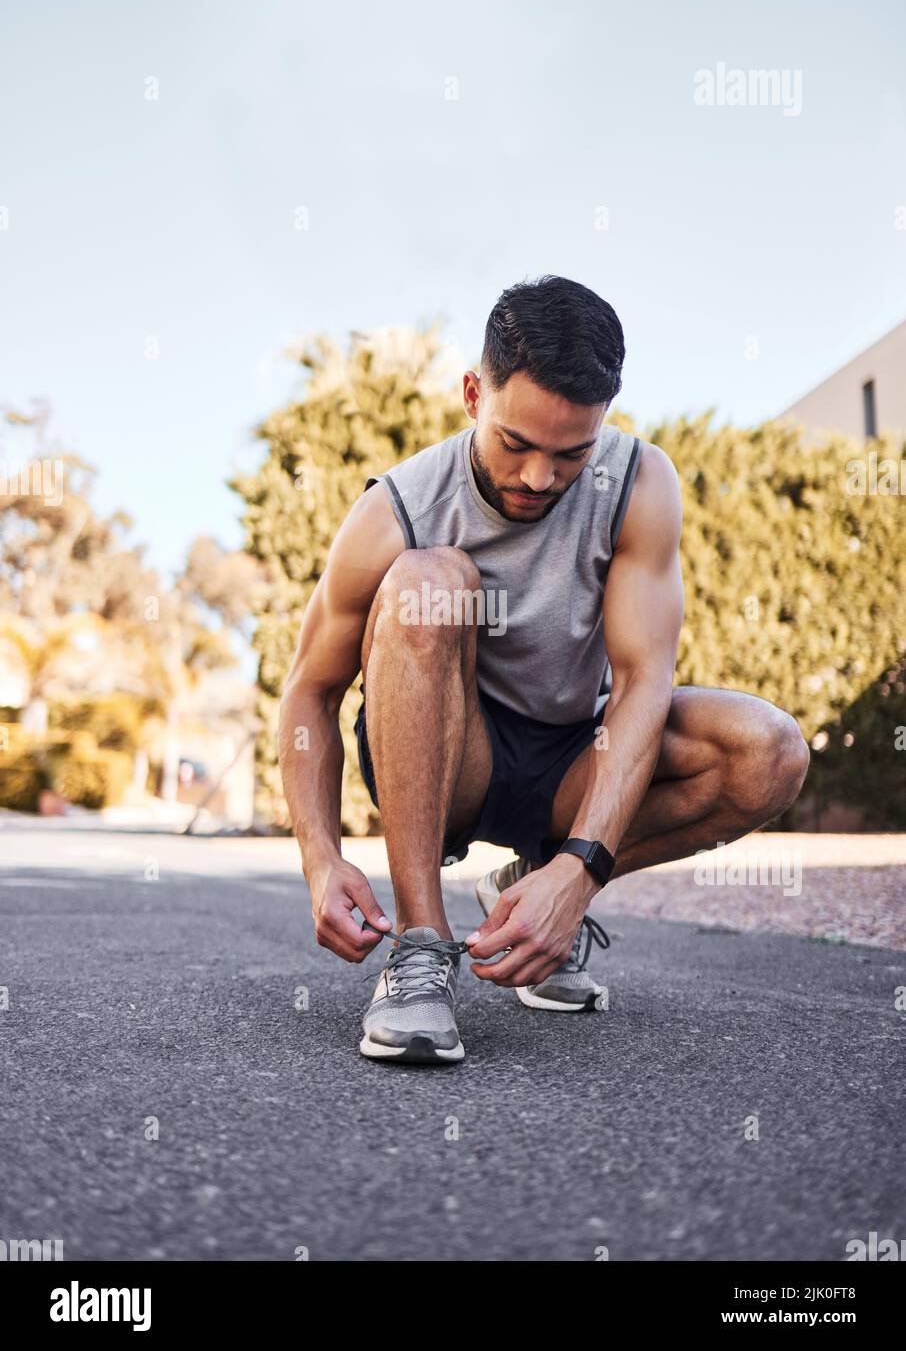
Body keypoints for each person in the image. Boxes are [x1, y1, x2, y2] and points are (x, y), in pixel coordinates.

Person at [278, 275, 810, 1065]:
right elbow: (308, 694)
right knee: (432, 583)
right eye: (514, 444)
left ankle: (531, 889)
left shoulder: (638, 482)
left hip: (572, 756)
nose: (537, 478)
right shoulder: (398, 508)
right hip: (453, 759)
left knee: (769, 753)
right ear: (471, 395)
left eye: (570, 453)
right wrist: (321, 859)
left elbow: (640, 685)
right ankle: (423, 950)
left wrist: (580, 869)